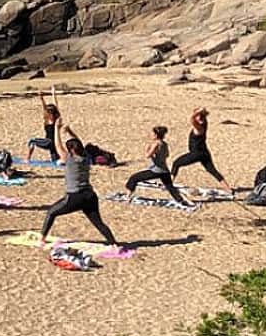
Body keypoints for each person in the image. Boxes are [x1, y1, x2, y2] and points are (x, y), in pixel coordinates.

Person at [39, 119, 119, 247]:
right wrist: (70, 132)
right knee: (98, 223)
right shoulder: (86, 156)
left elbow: (57, 145)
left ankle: (42, 239)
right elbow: (79, 143)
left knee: (51, 212)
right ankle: (114, 244)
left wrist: (56, 129)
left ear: (71, 151)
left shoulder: (69, 159)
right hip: (90, 196)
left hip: (75, 197)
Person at [170, 107, 234, 192]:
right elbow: (195, 119)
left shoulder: (199, 128)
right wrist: (199, 113)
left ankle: (169, 184)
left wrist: (196, 113)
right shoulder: (204, 123)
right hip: (205, 153)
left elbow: (192, 120)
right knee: (212, 170)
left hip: (196, 154)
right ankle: (228, 189)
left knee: (176, 163)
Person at [124, 125, 191, 206]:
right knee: (170, 187)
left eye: (152, 133)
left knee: (134, 178)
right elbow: (167, 155)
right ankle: (180, 200)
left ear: (156, 135)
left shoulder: (155, 144)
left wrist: (148, 148)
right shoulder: (164, 144)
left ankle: (127, 196)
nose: (150, 135)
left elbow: (147, 155)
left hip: (155, 170)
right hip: (165, 170)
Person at [27, 86, 61, 163]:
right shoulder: (55, 119)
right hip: (55, 143)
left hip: (48, 142)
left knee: (32, 141)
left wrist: (43, 97)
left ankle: (27, 159)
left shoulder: (49, 120)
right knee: (56, 160)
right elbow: (52, 106)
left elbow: (52, 106)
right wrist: (46, 96)